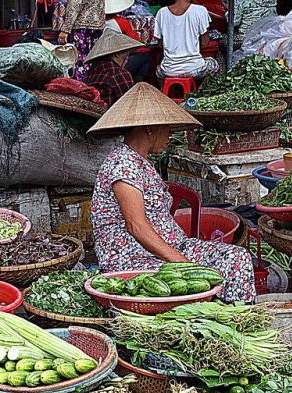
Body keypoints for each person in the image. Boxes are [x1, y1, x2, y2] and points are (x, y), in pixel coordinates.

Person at [87, 83, 255, 303]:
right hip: (134, 257)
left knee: (236, 257)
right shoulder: (122, 164)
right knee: (184, 284)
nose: (170, 135)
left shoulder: (141, 160)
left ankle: (237, 315)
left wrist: (182, 257)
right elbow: (136, 226)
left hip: (171, 247)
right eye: (167, 128)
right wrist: (183, 264)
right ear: (149, 128)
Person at [154, 0, 219, 79]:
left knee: (158, 72)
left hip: (169, 70)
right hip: (194, 69)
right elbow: (205, 43)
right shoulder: (200, 10)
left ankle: (165, 87)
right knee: (214, 64)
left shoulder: (161, 13)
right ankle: (201, 87)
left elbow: (160, 45)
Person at [84, 29, 141, 105]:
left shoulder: (90, 73)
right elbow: (130, 104)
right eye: (127, 55)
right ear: (117, 54)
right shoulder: (118, 74)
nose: (127, 60)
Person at [57, 0, 107, 81]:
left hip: (82, 26)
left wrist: (65, 30)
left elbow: (74, 6)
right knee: (94, 59)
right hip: (97, 26)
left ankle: (81, 83)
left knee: (80, 61)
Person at [104, 0, 152, 80]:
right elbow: (135, 43)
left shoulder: (98, 22)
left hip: (103, 60)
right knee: (146, 56)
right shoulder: (121, 22)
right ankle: (137, 82)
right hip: (118, 62)